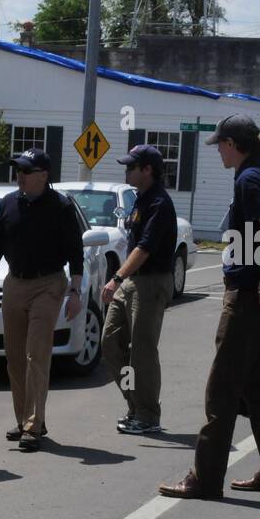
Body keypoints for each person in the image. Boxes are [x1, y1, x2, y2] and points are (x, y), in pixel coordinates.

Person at [159, 114, 260, 499]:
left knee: (221, 392)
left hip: (248, 300)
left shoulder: (250, 178)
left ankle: (205, 478)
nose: (218, 149)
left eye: (220, 143)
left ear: (233, 144)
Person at [0, 147, 83, 451]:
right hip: (15, 283)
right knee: (15, 355)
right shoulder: (9, 202)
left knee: (37, 353)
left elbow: (76, 253)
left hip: (48, 284)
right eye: (17, 170)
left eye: (26, 171)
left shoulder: (61, 206)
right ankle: (25, 419)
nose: (19, 176)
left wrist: (74, 292)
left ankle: (34, 426)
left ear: (44, 176)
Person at [100, 144, 177, 436]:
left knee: (142, 351)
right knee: (110, 343)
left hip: (151, 282)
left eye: (131, 166)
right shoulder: (140, 199)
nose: (126, 171)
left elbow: (145, 248)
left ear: (148, 170)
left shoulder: (159, 203)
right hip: (132, 280)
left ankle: (148, 415)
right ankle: (135, 405)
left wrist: (116, 277)